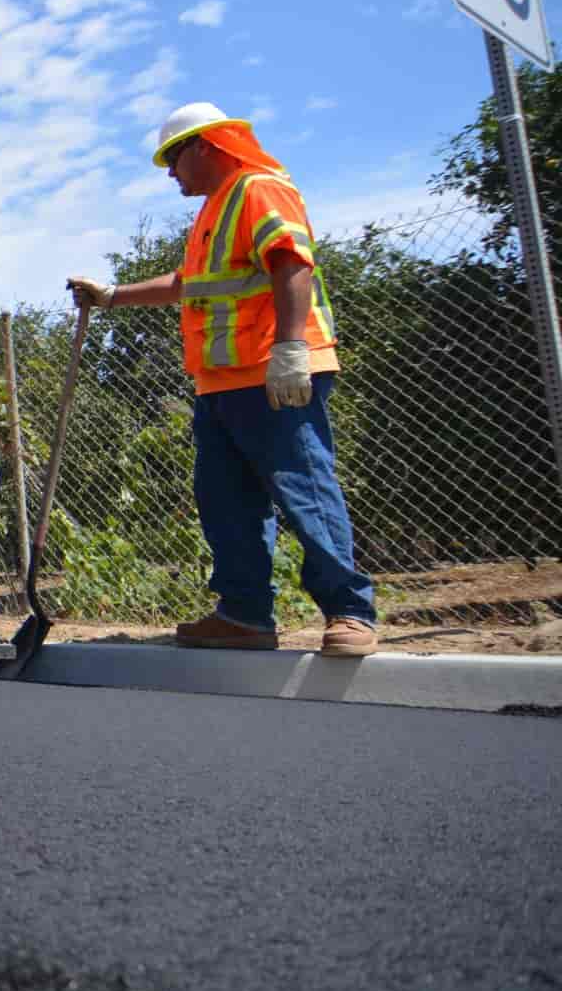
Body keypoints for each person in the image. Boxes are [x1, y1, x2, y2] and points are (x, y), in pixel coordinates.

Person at [67, 102, 377, 657]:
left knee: (304, 489)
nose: (169, 172)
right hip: (221, 383)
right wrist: (112, 296)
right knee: (226, 502)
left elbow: (291, 261)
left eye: (173, 158)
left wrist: (290, 348)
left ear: (204, 146)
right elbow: (187, 283)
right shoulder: (215, 210)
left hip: (273, 371)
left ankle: (350, 611)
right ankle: (245, 616)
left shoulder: (259, 188)